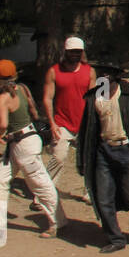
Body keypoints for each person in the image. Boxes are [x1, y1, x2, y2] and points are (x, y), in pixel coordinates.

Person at [76, 63, 129, 253]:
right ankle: (116, 238)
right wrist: (83, 160)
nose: (102, 77)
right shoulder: (93, 98)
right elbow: (87, 131)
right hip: (104, 152)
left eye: (106, 74)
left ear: (116, 76)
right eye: (100, 74)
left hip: (126, 151)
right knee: (104, 198)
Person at [0, 60, 65, 239]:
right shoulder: (21, 89)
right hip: (24, 141)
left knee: (40, 184)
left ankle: (58, 221)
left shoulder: (2, 98)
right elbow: (32, 110)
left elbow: (4, 124)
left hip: (23, 145)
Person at [43, 36, 96, 185]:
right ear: (66, 52)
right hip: (62, 123)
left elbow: (93, 99)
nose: (75, 54)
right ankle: (45, 193)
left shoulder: (90, 71)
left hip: (84, 122)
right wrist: (52, 123)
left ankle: (89, 192)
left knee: (88, 160)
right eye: (72, 51)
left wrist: (94, 121)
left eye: (78, 52)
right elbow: (48, 98)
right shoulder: (54, 72)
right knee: (59, 158)